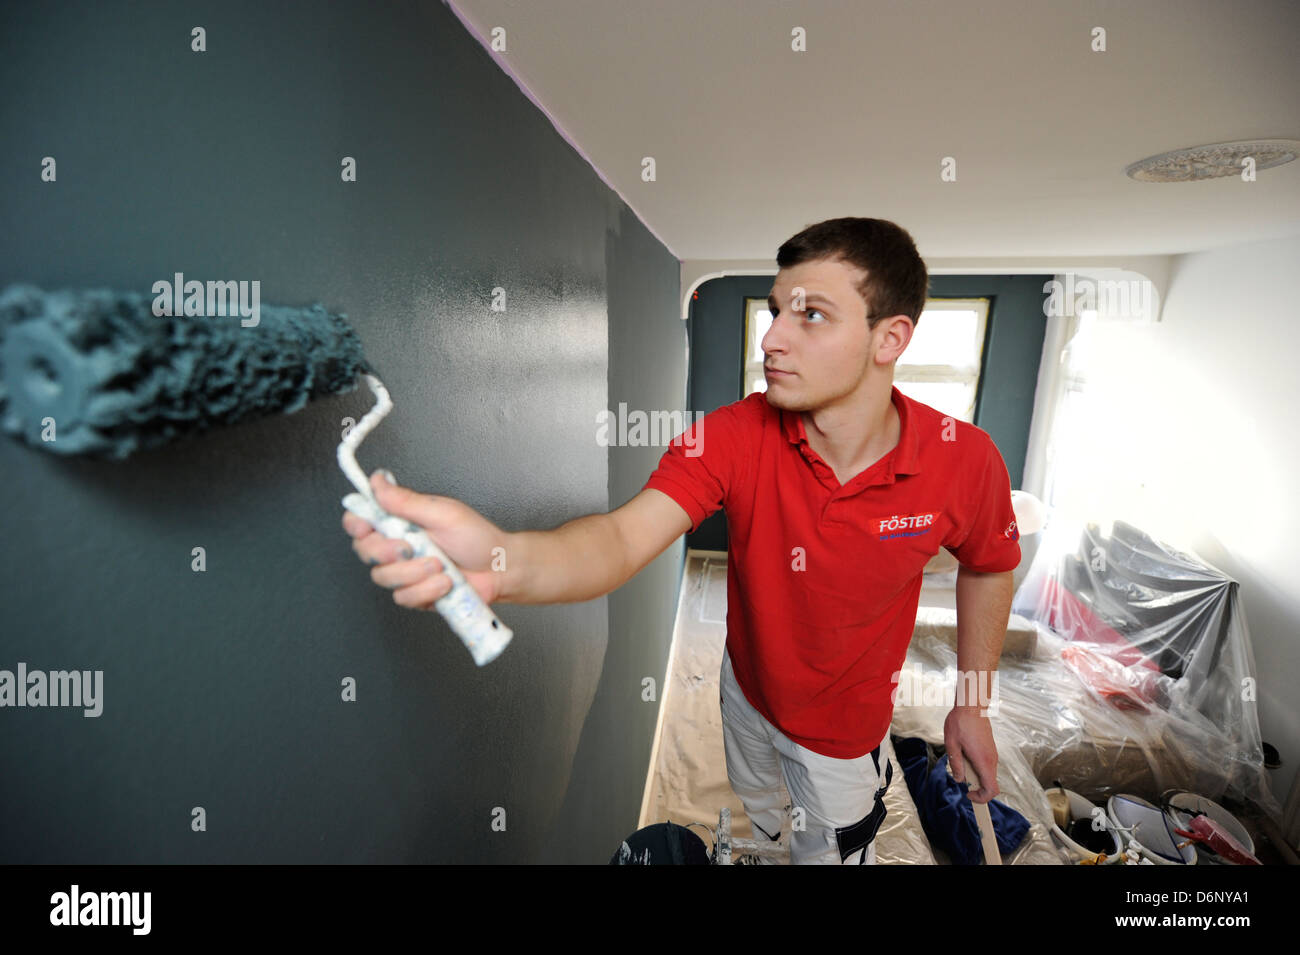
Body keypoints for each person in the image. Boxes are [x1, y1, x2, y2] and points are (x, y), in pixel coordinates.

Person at [342, 217, 1020, 864]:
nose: (772, 338)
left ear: (889, 339)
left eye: (810, 315)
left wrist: (972, 700)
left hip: (844, 737)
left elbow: (989, 566)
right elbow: (618, 538)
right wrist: (506, 558)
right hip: (745, 689)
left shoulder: (966, 459)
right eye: (777, 309)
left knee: (832, 849)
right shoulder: (730, 434)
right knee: (767, 816)